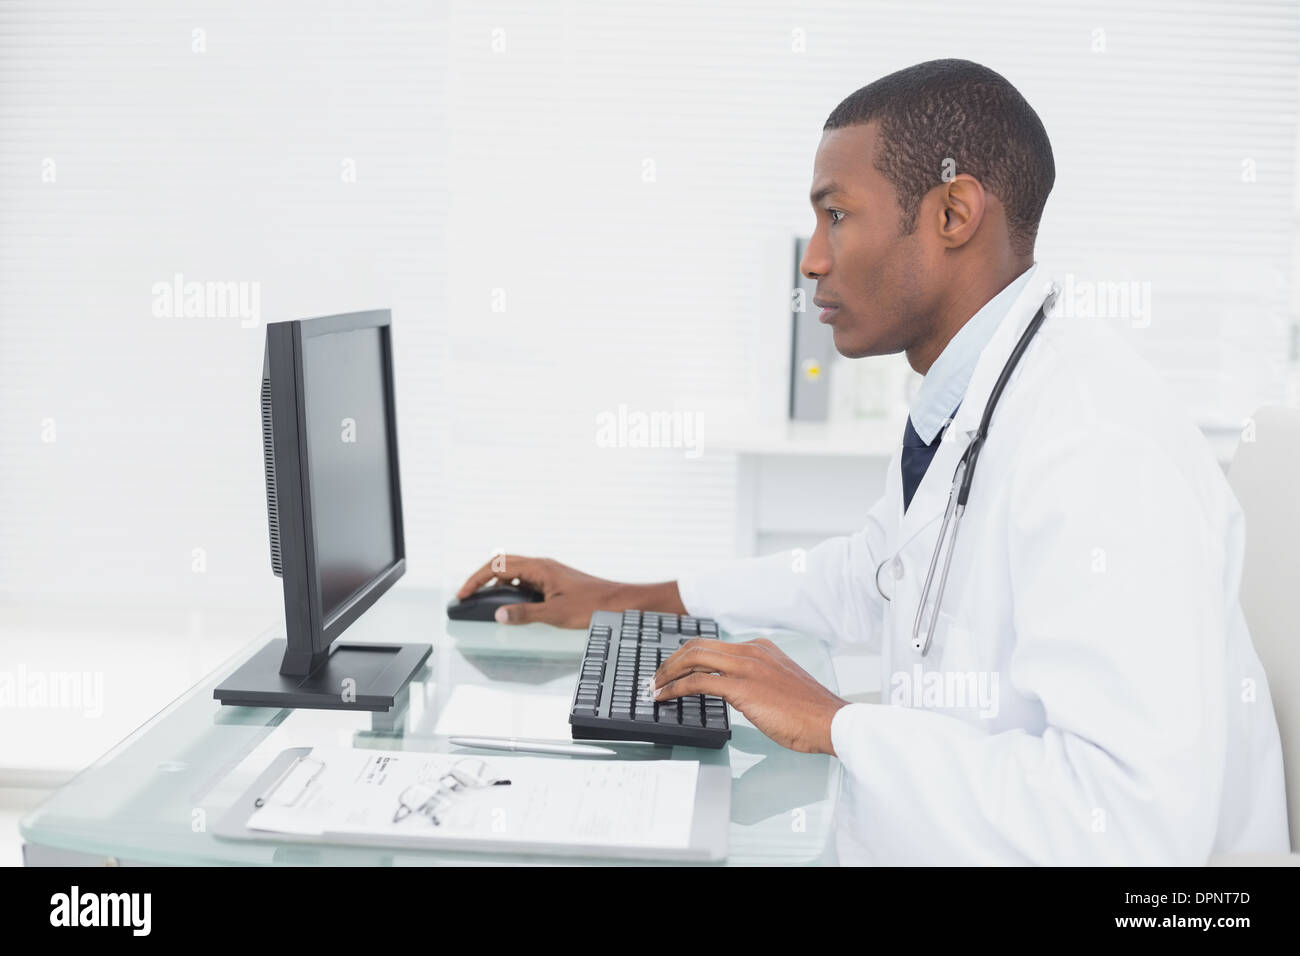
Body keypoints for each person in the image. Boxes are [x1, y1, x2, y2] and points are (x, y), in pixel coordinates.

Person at [456, 59, 1289, 865]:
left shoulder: (1099, 447)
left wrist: (834, 722)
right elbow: (872, 573)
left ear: (953, 213)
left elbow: (1129, 829)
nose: (813, 259)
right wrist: (630, 597)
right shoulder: (974, 391)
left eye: (837, 216)